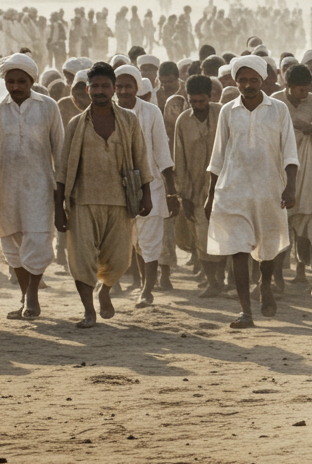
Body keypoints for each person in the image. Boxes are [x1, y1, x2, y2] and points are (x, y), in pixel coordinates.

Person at [54, 62, 153, 328]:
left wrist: (147, 195)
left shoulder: (128, 120)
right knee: (81, 260)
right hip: (82, 202)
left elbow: (141, 159)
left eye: (105, 86)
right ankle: (89, 311)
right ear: (87, 89)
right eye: (94, 86)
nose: (99, 91)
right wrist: (58, 207)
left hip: (120, 201)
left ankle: (105, 291)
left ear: (113, 89)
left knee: (119, 259)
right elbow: (62, 169)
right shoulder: (76, 124)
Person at [205, 56, 299, 328]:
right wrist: (210, 195)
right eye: (243, 80)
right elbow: (218, 157)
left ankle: (266, 284)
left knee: (268, 249)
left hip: (269, 190)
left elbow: (290, 152)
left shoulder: (278, 110)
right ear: (236, 82)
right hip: (233, 190)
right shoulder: (228, 111)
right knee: (237, 249)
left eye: (253, 80)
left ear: (263, 80)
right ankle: (246, 311)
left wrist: (290, 186)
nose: (248, 85)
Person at [1, 54, 65, 320]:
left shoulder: (48, 107)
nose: (15, 87)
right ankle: (24, 296)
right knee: (11, 243)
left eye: (21, 81)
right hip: (5, 188)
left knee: (38, 240)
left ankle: (33, 297)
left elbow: (60, 150)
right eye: (10, 81)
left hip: (40, 187)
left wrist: (61, 194)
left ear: (32, 80)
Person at [114, 65, 179, 307]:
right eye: (118, 86)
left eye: (128, 86)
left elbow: (163, 153)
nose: (123, 91)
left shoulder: (151, 113)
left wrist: (172, 192)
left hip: (151, 187)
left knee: (149, 241)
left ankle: (147, 290)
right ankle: (139, 282)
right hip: (117, 188)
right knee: (133, 241)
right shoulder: (106, 112)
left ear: (137, 88)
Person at [274, 64, 312, 285]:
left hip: (309, 169)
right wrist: (292, 125)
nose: (304, 94)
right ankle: (277, 275)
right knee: (280, 223)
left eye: (306, 89)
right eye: (300, 89)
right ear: (288, 86)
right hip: (280, 170)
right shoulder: (275, 102)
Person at [172, 74, 225, 297]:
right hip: (195, 190)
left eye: (202, 102)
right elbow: (179, 158)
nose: (197, 106)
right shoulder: (183, 121)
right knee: (202, 238)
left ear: (210, 97)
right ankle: (212, 281)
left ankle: (223, 280)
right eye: (193, 102)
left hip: (224, 187)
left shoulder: (224, 113)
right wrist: (183, 194)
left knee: (225, 236)